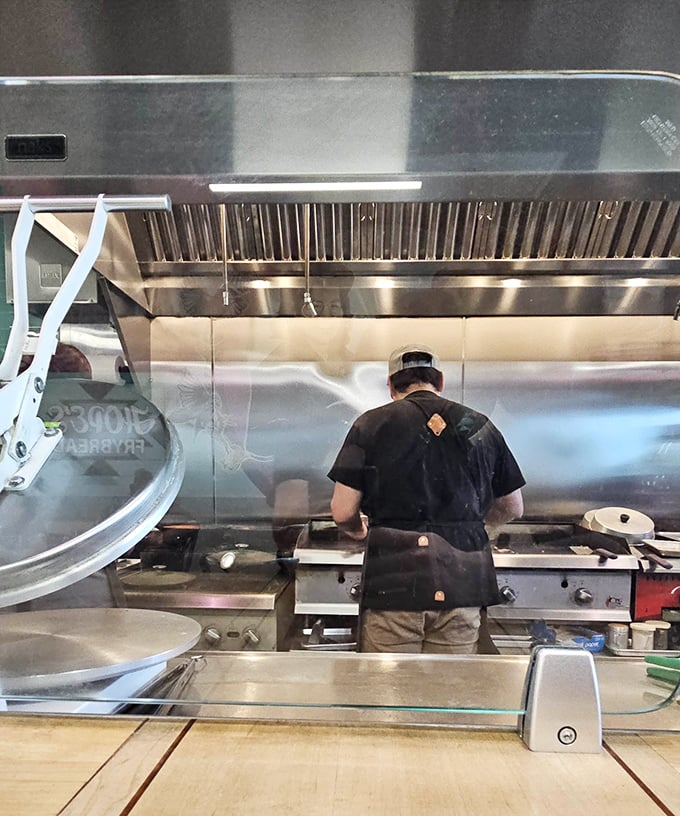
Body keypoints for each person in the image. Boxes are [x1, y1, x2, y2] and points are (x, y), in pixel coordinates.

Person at [327, 343, 525, 654]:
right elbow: (513, 506)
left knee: (390, 691)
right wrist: (475, 528)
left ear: (391, 386)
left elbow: (342, 511)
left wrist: (358, 531)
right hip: (464, 582)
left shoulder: (369, 425)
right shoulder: (478, 425)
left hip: (393, 586)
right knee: (449, 693)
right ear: (441, 381)